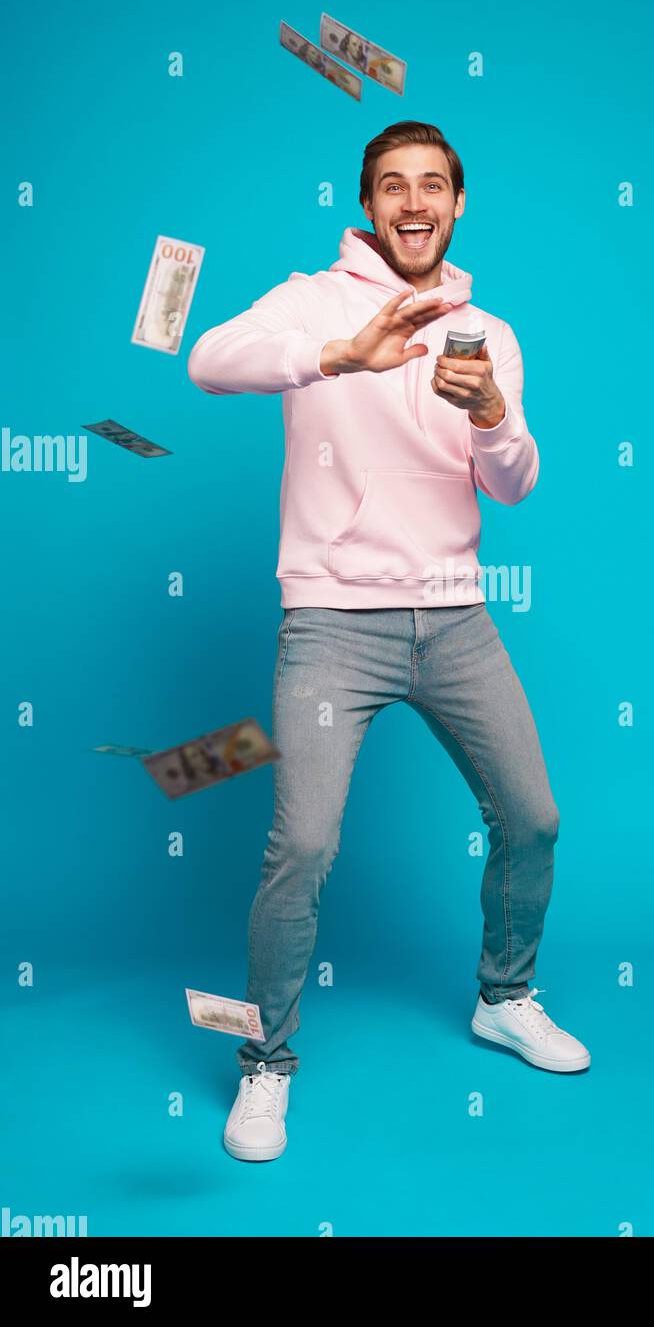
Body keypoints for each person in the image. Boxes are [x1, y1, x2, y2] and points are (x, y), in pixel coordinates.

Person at [187, 120, 590, 1163]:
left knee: (534, 817)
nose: (413, 203)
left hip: (453, 616)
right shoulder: (310, 298)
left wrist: (495, 412)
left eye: (433, 187)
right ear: (366, 204)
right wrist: (336, 355)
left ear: (457, 204)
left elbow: (513, 480)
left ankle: (505, 996)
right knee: (306, 843)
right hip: (331, 620)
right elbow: (206, 360)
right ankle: (266, 1065)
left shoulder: (487, 329)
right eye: (391, 186)